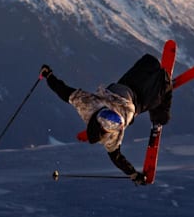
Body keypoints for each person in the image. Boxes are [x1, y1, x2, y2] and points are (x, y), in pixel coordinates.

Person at [40, 53, 173, 184]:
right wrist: (133, 174)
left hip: (129, 92)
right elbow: (117, 159)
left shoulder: (88, 105)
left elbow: (63, 91)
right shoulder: (111, 139)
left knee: (154, 69)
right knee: (159, 76)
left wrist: (49, 76)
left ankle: (159, 95)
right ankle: (158, 110)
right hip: (132, 95)